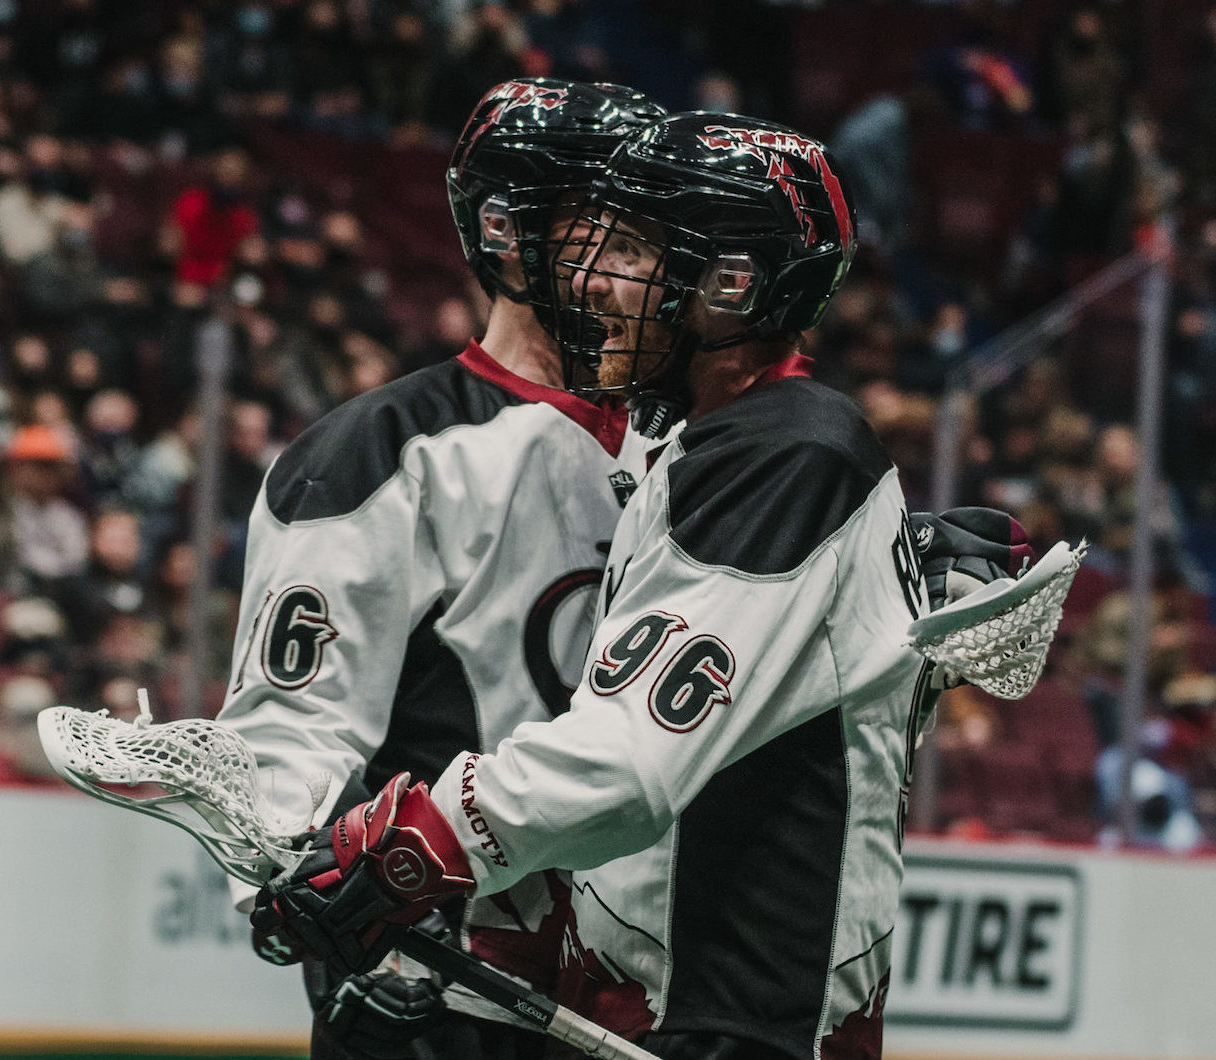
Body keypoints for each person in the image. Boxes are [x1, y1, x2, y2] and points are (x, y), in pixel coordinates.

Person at [254, 113, 1032, 1060]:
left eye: (634, 253)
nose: (595, 283)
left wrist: (409, 850)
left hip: (727, 1023)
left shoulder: (786, 450)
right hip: (657, 1014)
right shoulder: (715, 449)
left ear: (731, 286)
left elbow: (628, 761)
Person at [213, 78, 666, 1059]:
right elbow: (291, 735)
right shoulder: (381, 455)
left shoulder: (707, 455)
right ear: (510, 235)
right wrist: (314, 882)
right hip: (445, 1010)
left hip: (649, 998)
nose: (647, 257)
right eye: (611, 226)